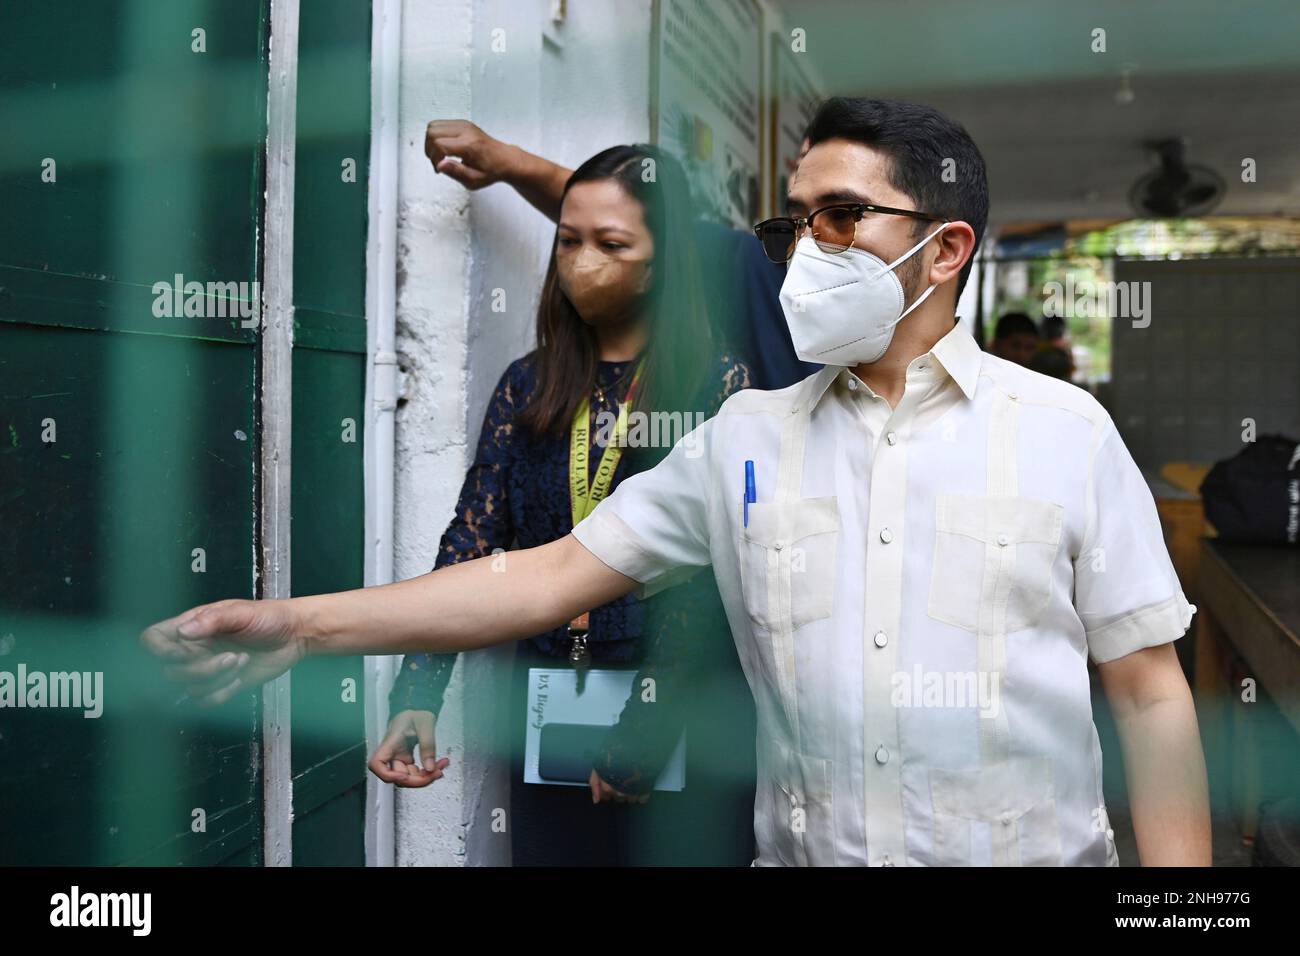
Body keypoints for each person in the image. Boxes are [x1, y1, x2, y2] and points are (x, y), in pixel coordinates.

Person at [142, 97, 1211, 867]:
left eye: (840, 218)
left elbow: (1151, 692)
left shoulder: (1063, 433)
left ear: (944, 250)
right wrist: (301, 622)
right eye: (796, 220)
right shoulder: (743, 437)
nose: (803, 249)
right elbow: (537, 574)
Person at [375, 142, 756, 865]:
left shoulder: (717, 386)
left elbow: (710, 577)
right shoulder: (530, 384)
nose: (582, 261)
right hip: (554, 700)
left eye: (611, 244)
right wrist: (417, 689)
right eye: (568, 240)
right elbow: (472, 539)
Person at [423, 119, 820, 392]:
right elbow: (631, 220)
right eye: (803, 161)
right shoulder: (753, 260)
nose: (808, 176)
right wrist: (510, 163)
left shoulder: (718, 383)